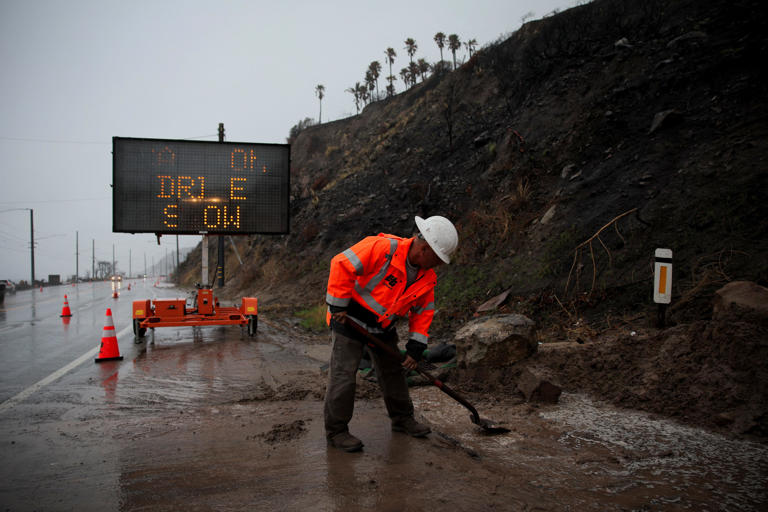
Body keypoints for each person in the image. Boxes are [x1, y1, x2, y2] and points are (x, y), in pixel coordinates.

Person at [324, 215, 459, 452]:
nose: (438, 265)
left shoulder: (427, 278)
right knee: (344, 375)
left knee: (393, 374)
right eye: (438, 259)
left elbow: (423, 313)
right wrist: (337, 305)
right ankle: (337, 432)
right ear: (425, 248)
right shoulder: (383, 248)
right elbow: (341, 263)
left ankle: (403, 420)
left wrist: (416, 347)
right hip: (349, 320)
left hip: (382, 327)